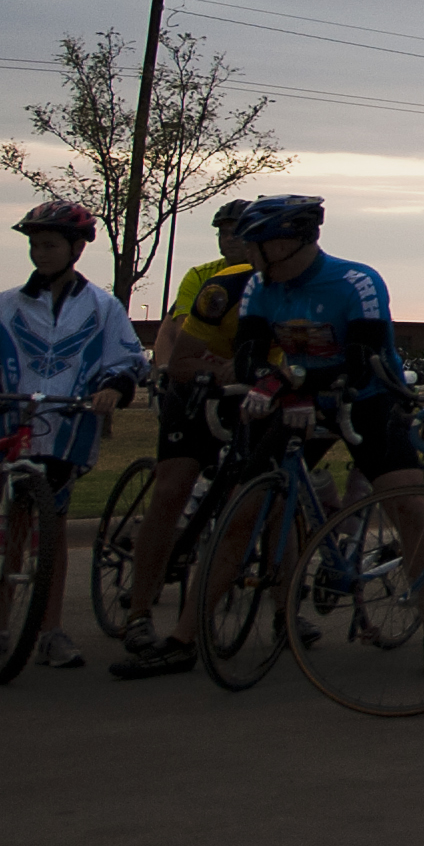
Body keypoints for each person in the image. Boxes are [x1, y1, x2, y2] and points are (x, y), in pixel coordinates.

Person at [218, 194, 424, 676]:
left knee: (407, 503)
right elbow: (247, 356)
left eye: (258, 243)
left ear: (291, 243)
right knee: (254, 501)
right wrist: (277, 381)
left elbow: (360, 360)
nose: (250, 251)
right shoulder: (259, 286)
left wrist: (291, 379)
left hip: (367, 398)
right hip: (300, 398)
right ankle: (210, 627)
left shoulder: (355, 281)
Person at [0, 200, 144, 671]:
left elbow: (126, 357)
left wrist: (115, 386)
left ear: (75, 248)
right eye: (34, 244)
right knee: (9, 534)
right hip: (13, 427)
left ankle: (50, 631)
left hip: (67, 429)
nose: (40, 253)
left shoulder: (102, 306)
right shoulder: (9, 302)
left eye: (50, 245)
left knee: (51, 534)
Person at [112, 199, 255, 677]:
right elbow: (175, 329)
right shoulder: (206, 277)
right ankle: (138, 613)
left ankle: (283, 608)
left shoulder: (275, 281)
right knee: (172, 489)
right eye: (223, 231)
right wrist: (167, 370)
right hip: (194, 386)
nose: (230, 238)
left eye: (239, 230)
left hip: (245, 392)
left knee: (263, 499)